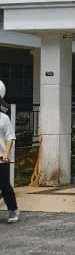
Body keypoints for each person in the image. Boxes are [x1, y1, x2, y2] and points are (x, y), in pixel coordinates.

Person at [0, 81, 19, 223]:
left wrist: (6, 153)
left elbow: (10, 138)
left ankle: (12, 211)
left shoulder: (4, 119)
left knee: (5, 186)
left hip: (1, 159)